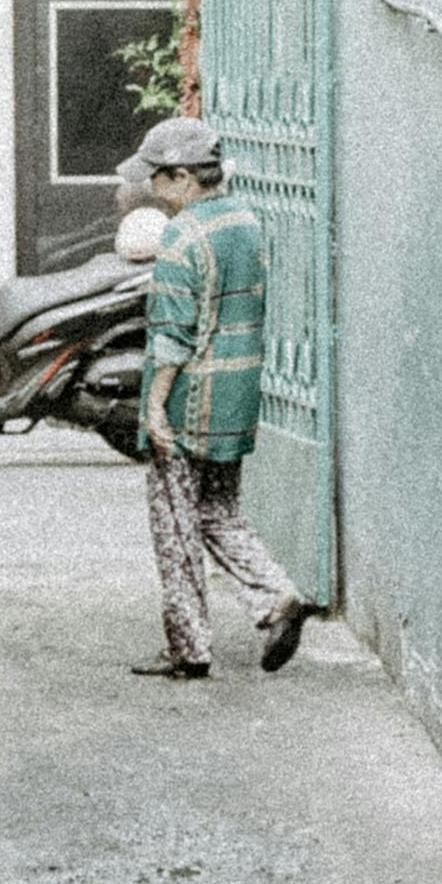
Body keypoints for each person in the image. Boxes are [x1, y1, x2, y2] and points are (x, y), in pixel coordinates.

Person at [130, 116, 316, 683]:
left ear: (183, 177)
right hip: (234, 399)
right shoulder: (247, 223)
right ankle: (275, 595)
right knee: (219, 511)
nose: (151, 190)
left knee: (176, 527)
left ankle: (189, 648)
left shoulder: (182, 236)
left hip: (188, 402)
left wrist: (156, 409)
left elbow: (171, 335)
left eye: (157, 178)